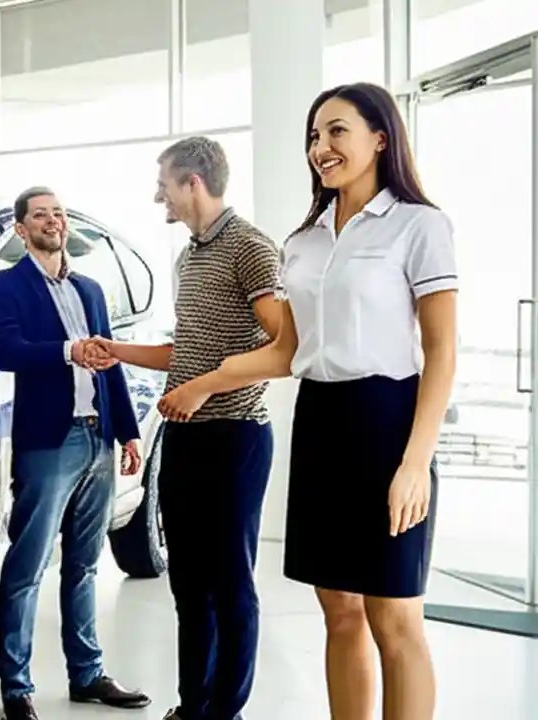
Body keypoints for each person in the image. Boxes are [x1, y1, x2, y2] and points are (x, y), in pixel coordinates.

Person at [158, 82, 455, 720]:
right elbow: (288, 351)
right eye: (315, 136)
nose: (321, 147)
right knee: (340, 612)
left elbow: (442, 352)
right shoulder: (305, 240)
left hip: (390, 423)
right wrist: (206, 380)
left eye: (337, 131)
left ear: (381, 137)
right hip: (322, 424)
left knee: (395, 618)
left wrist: (414, 462)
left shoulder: (419, 225)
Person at [101, 137, 282, 720]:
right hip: (185, 439)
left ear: (193, 183)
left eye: (165, 185)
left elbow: (283, 348)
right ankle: (191, 706)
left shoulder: (251, 249)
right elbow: (186, 353)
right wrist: (115, 350)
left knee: (231, 587)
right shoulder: (189, 256)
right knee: (188, 586)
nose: (160, 197)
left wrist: (203, 387)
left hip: (236, 439)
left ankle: (224, 711)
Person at [0, 186, 152, 720]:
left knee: (84, 565)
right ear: (21, 228)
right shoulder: (5, 286)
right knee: (28, 565)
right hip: (48, 443)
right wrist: (67, 351)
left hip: (98, 436)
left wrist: (127, 432)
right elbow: (7, 351)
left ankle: (88, 674)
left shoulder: (92, 289)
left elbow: (112, 362)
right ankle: (16, 689)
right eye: (40, 215)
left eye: (57, 213)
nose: (52, 221)